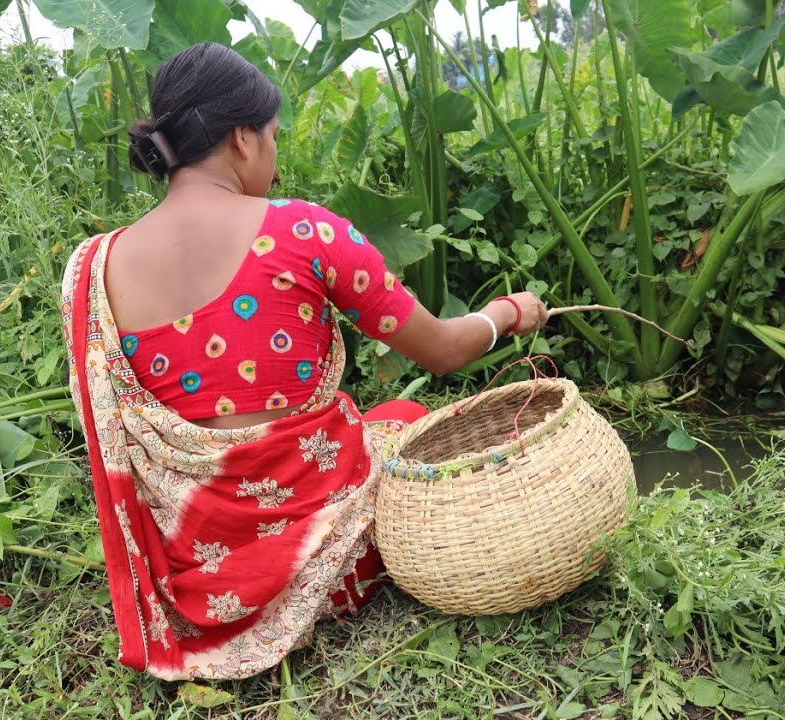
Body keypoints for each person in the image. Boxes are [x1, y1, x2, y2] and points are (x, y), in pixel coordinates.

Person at [59, 42, 547, 681]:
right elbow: (446, 350)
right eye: (272, 138)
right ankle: (321, 577)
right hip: (332, 563)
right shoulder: (304, 232)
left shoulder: (93, 267)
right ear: (241, 139)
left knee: (385, 419)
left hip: (195, 582)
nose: (275, 159)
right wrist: (510, 312)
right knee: (404, 417)